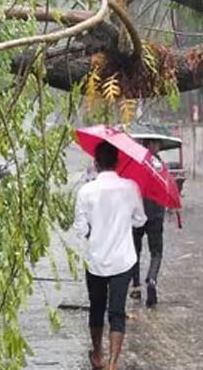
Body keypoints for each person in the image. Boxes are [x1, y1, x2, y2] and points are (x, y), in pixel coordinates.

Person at [74, 141, 147, 370]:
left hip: (95, 259)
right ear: (117, 162)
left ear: (96, 164)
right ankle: (114, 364)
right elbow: (140, 220)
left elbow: (81, 229)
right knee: (117, 311)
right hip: (122, 261)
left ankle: (97, 354)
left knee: (96, 308)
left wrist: (95, 230)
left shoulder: (85, 191)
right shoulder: (131, 187)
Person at [130, 139, 166, 307]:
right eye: (157, 144)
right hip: (156, 215)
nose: (159, 147)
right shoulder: (160, 165)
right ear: (151, 145)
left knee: (134, 251)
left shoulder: (135, 163)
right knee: (156, 252)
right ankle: (152, 279)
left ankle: (136, 286)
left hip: (137, 214)